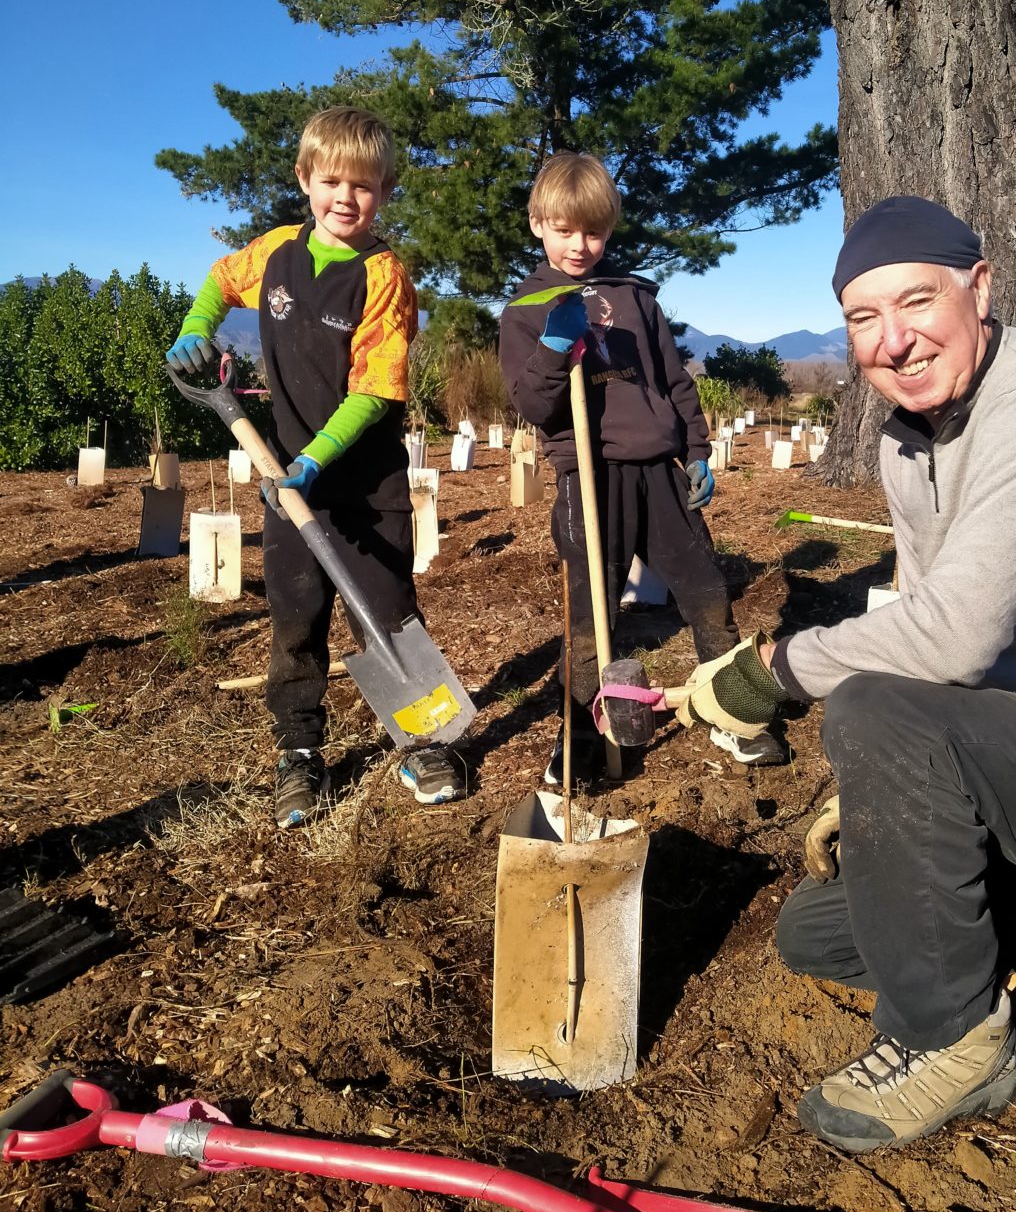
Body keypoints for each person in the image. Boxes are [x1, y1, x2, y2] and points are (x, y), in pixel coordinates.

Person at [673, 195, 1016, 1153]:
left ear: (979, 288)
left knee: (875, 710)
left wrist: (773, 669)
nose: (893, 341)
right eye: (862, 319)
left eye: (917, 302)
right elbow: (933, 636)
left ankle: (953, 1044)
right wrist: (888, 804)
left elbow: (952, 641)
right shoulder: (907, 437)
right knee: (818, 933)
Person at [166, 106, 465, 826]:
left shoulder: (384, 276)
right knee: (295, 619)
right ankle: (298, 750)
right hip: (286, 484)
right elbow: (219, 279)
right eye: (331, 180)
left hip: (365, 483)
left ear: (385, 191)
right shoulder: (276, 251)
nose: (345, 197)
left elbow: (373, 394)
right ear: (304, 178)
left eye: (363, 185)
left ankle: (422, 737)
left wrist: (313, 462)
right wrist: (194, 328)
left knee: (388, 617)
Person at [499, 151, 786, 783]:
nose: (581, 244)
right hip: (591, 477)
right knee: (591, 612)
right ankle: (575, 740)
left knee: (707, 592)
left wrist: (698, 449)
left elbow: (674, 379)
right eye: (566, 229)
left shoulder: (636, 298)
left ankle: (736, 716)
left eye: (594, 231)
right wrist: (553, 344)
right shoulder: (526, 309)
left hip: (660, 471)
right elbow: (533, 404)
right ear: (537, 224)